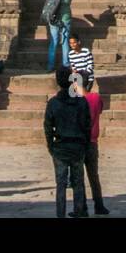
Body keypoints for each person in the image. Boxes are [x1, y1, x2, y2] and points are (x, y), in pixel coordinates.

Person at [44, 67, 91, 219]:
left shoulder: (53, 103)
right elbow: (87, 125)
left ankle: (60, 214)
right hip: (78, 146)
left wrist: (51, 146)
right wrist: (85, 144)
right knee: (78, 182)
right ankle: (79, 211)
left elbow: (48, 126)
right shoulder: (81, 101)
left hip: (60, 147)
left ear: (57, 81)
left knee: (61, 185)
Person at [80, 80, 110, 216]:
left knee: (78, 177)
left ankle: (82, 207)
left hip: (78, 143)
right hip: (92, 142)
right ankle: (99, 205)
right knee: (94, 176)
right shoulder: (96, 98)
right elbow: (100, 110)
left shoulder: (76, 101)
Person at [44, 0, 73, 73]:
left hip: (54, 20)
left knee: (54, 43)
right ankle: (66, 64)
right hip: (66, 19)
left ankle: (50, 66)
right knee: (65, 43)